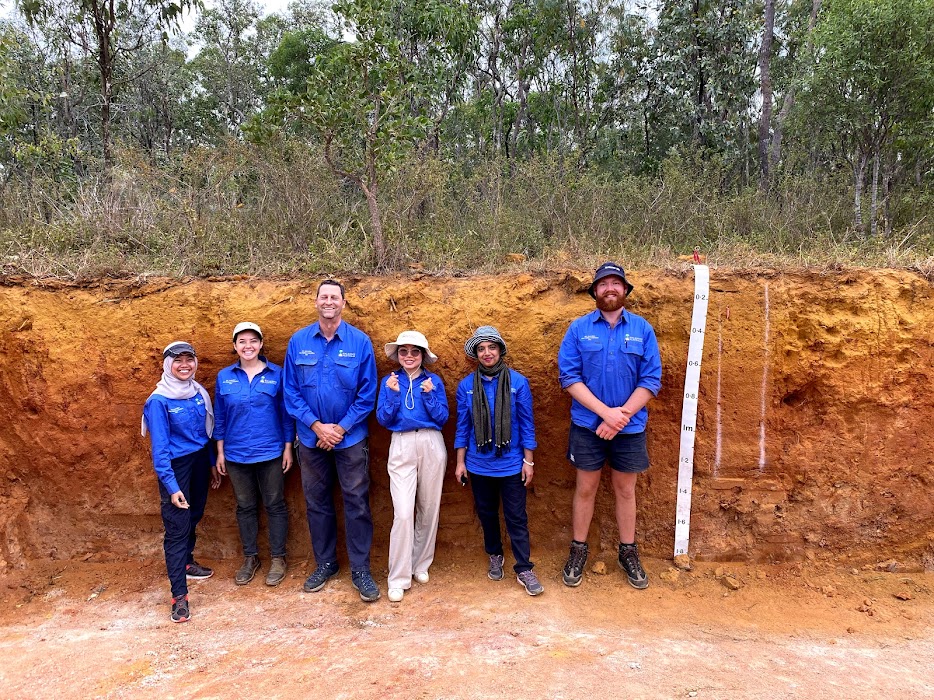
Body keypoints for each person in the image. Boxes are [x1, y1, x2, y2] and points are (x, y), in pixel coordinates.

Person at [558, 262, 662, 589]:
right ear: (595, 292)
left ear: (625, 291)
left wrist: (621, 416)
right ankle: (578, 549)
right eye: (603, 284)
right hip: (588, 427)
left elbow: (650, 379)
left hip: (629, 429)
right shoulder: (578, 329)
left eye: (616, 283)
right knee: (585, 488)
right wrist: (606, 413)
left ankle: (627, 551)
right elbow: (569, 378)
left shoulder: (643, 330)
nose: (610, 288)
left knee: (625, 489)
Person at [283, 279, 381, 602]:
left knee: (356, 501)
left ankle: (361, 569)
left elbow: (368, 394)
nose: (329, 301)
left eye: (334, 297)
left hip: (350, 439)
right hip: (311, 441)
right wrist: (317, 426)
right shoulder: (298, 342)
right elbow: (291, 392)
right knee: (317, 503)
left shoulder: (360, 342)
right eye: (323, 296)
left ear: (343, 302)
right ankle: (325, 563)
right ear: (316, 302)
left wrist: (340, 428)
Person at [454, 326, 543, 596]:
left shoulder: (518, 383)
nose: (487, 353)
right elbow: (463, 427)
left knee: (516, 516)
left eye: (492, 347)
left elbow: (527, 424)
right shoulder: (466, 386)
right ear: (476, 354)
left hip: (511, 463)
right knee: (487, 513)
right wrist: (460, 463)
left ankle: (524, 567)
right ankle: (494, 554)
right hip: (478, 464)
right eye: (481, 349)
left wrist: (529, 462)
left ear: (500, 350)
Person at [142, 341, 221, 623]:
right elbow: (160, 449)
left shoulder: (198, 393)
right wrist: (172, 486)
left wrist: (211, 463)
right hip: (175, 467)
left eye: (189, 359)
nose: (184, 365)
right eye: (178, 360)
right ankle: (179, 597)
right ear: (167, 365)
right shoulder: (159, 401)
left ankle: (187, 562)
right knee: (177, 527)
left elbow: (204, 434)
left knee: (195, 514)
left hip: (199, 461)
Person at [214, 322, 294, 587]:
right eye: (242, 342)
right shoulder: (224, 376)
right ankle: (251, 558)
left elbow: (286, 415)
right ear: (235, 346)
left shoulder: (277, 374)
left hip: (270, 452)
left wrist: (287, 449)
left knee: (275, 505)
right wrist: (220, 453)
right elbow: (220, 418)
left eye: (253, 341)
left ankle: (278, 558)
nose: (248, 346)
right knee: (245, 507)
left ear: (260, 345)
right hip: (236, 455)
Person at [376, 331, 449, 603]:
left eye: (414, 352)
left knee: (429, 507)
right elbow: (383, 418)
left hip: (431, 442)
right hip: (402, 444)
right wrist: (393, 395)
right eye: (404, 351)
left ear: (422, 356)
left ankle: (420, 564)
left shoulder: (434, 381)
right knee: (404, 513)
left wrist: (430, 396)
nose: (409, 356)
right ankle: (398, 577)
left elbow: (442, 417)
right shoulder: (389, 381)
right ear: (398, 355)